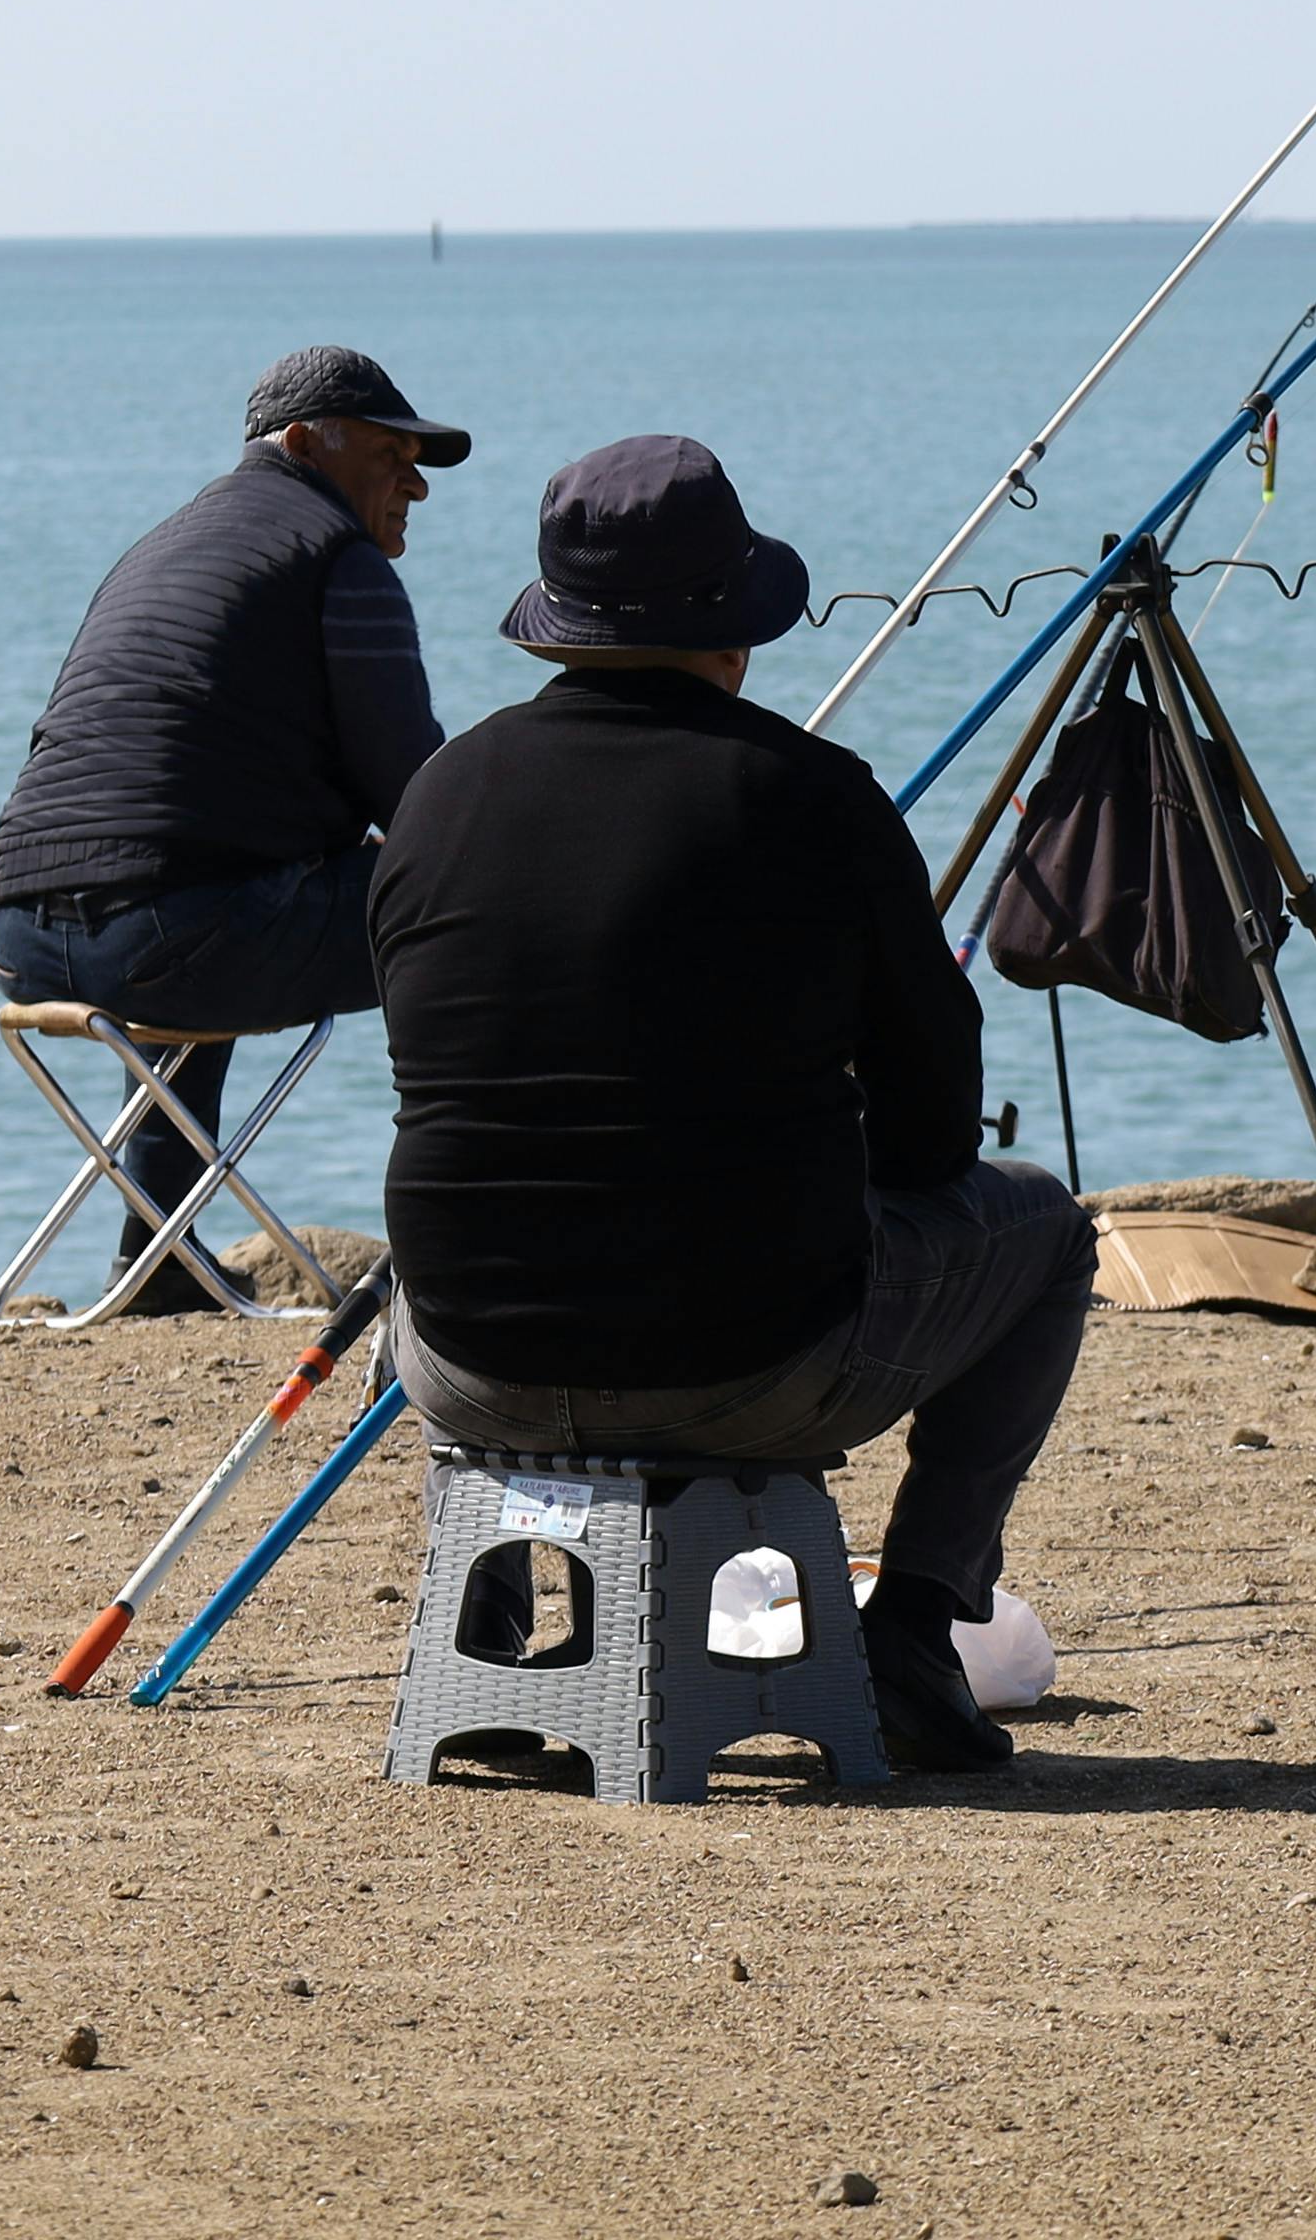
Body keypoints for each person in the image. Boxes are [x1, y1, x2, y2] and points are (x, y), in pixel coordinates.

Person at [369, 432, 1096, 1775]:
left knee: (443, 1222)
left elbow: (447, 1074)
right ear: (738, 631)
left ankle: (493, 1637)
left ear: (558, 626)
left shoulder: (437, 795)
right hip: (751, 1370)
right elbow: (939, 1130)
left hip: (471, 1366)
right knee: (1047, 1232)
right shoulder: (815, 798)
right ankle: (916, 1632)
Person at [0, 343, 467, 1320]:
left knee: (224, 880)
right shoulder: (334, 556)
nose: (414, 481)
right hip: (170, 936)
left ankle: (158, 1255)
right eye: (389, 452)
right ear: (302, 442)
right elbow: (419, 798)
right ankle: (477, 1240)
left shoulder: (169, 543)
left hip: (21, 935)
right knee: (479, 908)